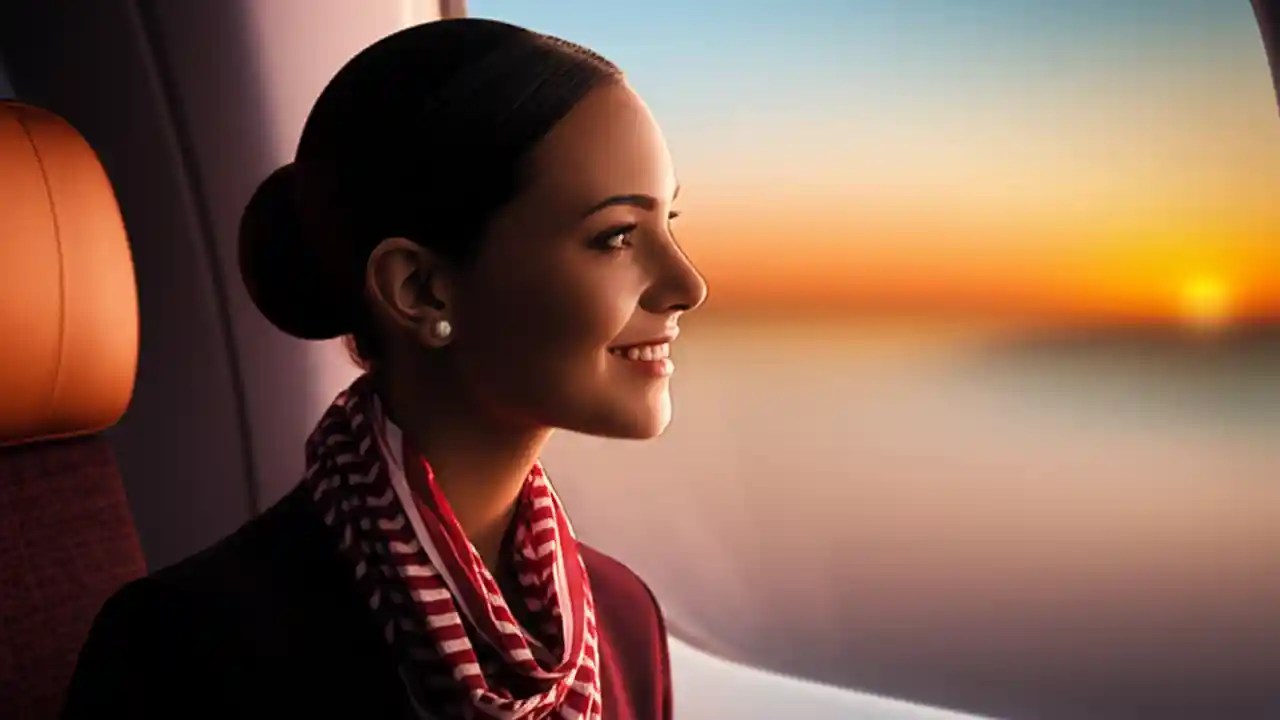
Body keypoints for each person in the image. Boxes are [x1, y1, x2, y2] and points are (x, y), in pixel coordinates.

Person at [61, 18, 706, 719]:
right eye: (615, 236)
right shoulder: (185, 651)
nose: (687, 284)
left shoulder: (623, 621)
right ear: (421, 290)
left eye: (670, 222)